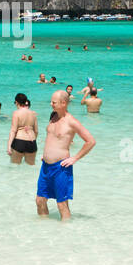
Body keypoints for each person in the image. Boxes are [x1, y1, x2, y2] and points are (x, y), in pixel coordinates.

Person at [36, 89, 95, 221]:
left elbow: (90, 141)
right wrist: (46, 154)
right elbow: (51, 137)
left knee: (61, 204)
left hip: (61, 167)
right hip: (45, 166)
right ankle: (42, 232)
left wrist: (75, 158)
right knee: (40, 200)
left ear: (63, 103)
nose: (51, 104)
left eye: (54, 102)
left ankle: (66, 235)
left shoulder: (72, 122)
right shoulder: (53, 116)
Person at [8, 92, 38, 165]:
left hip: (19, 141)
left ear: (17, 102)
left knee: (14, 167)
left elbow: (13, 130)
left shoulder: (16, 113)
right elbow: (36, 131)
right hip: (32, 142)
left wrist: (9, 146)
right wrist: (32, 141)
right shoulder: (33, 113)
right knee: (30, 168)